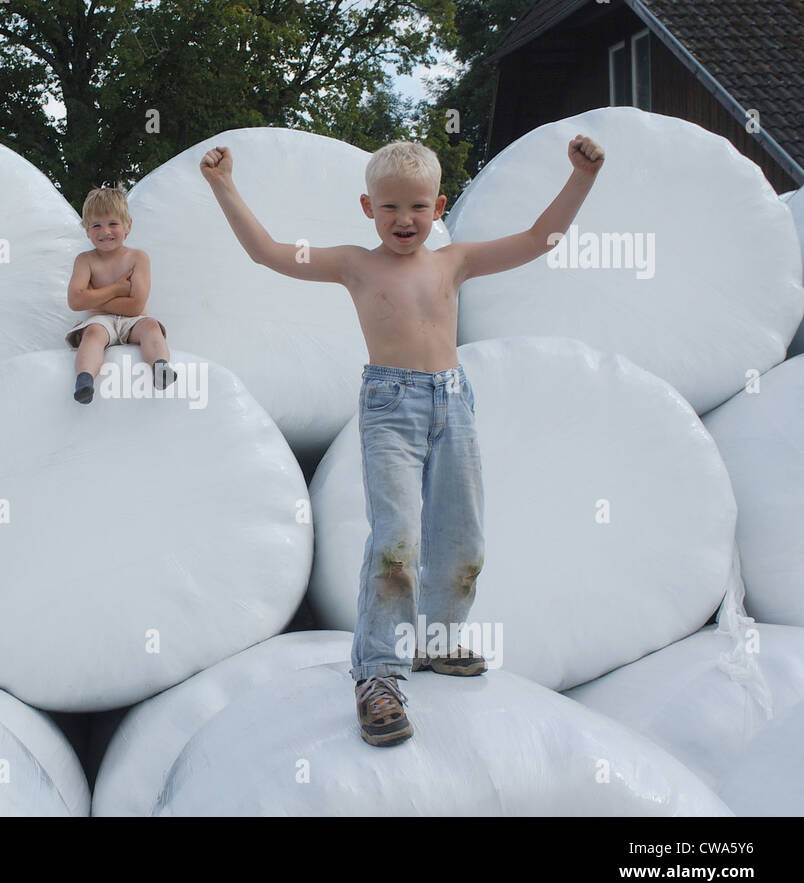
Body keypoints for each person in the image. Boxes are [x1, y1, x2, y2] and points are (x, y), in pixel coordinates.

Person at [201, 134, 604, 746]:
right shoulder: (353, 264)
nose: (404, 220)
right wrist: (223, 183)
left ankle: (439, 642)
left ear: (439, 207)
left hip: (454, 403)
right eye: (389, 207)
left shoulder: (454, 261)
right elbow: (267, 252)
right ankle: (379, 676)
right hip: (390, 407)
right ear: (368, 209)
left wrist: (580, 177)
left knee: (462, 539)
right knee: (395, 541)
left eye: (417, 206)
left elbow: (537, 240)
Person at [64, 186, 175, 403]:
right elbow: (75, 301)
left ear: (127, 226)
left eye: (113, 223)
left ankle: (160, 366)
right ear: (87, 230)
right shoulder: (85, 260)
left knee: (151, 326)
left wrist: (93, 297)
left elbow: (135, 306)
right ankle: (84, 379)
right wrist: (116, 289)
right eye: (96, 225)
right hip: (100, 322)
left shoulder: (138, 258)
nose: (105, 231)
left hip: (134, 321)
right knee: (93, 334)